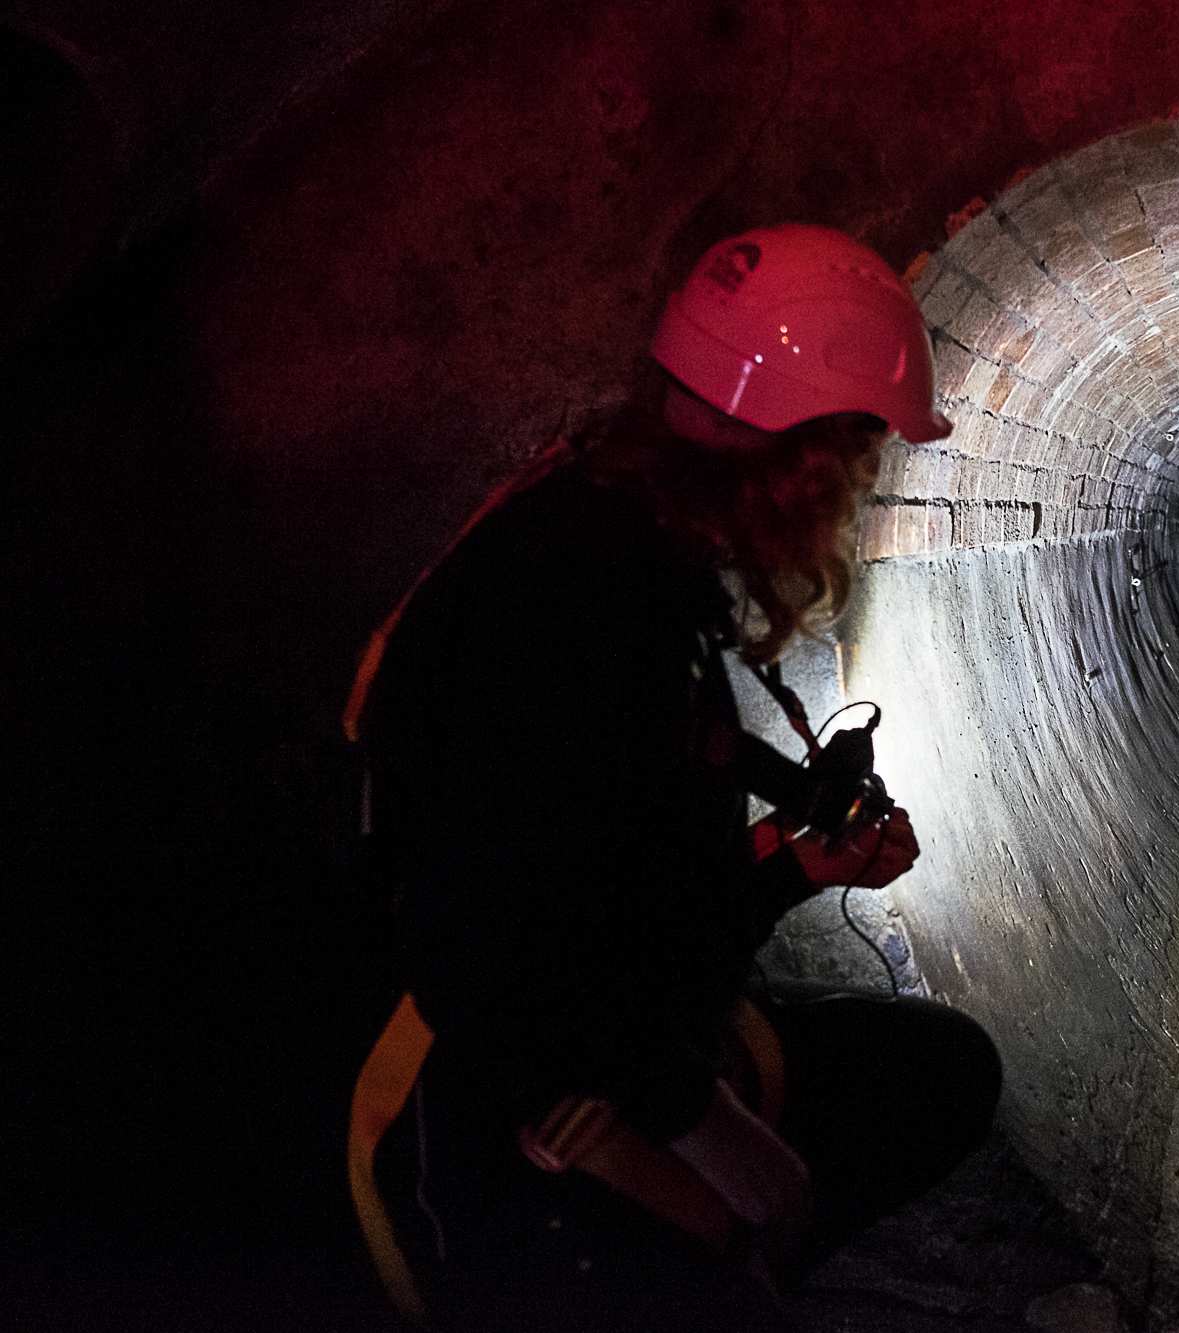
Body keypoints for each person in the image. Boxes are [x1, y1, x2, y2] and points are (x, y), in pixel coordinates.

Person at [343, 223, 1002, 1330]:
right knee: (762, 1205)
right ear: (803, 448)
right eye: (854, 453)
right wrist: (706, 1165)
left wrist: (797, 846)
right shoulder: (584, 607)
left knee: (935, 1073)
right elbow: (528, 974)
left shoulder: (608, 532)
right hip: (499, 1114)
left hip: (597, 1023)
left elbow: (629, 827)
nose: (852, 486)